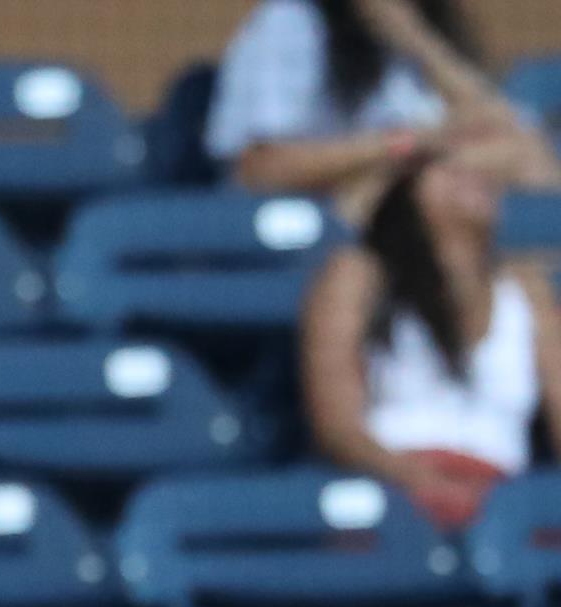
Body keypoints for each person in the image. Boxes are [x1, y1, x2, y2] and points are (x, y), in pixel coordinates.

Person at [301, 157, 561, 530]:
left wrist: (493, 503)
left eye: (478, 172)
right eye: (446, 168)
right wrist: (421, 482)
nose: (471, 175)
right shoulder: (358, 274)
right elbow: (337, 424)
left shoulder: (527, 289)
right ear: (404, 193)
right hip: (390, 490)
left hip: (504, 503)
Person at [208, 0, 561, 220]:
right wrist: (401, 146)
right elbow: (260, 169)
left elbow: (507, 125)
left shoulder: (421, 27)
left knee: (523, 157)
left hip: (413, 204)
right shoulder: (290, 19)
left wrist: (415, 38)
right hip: (320, 217)